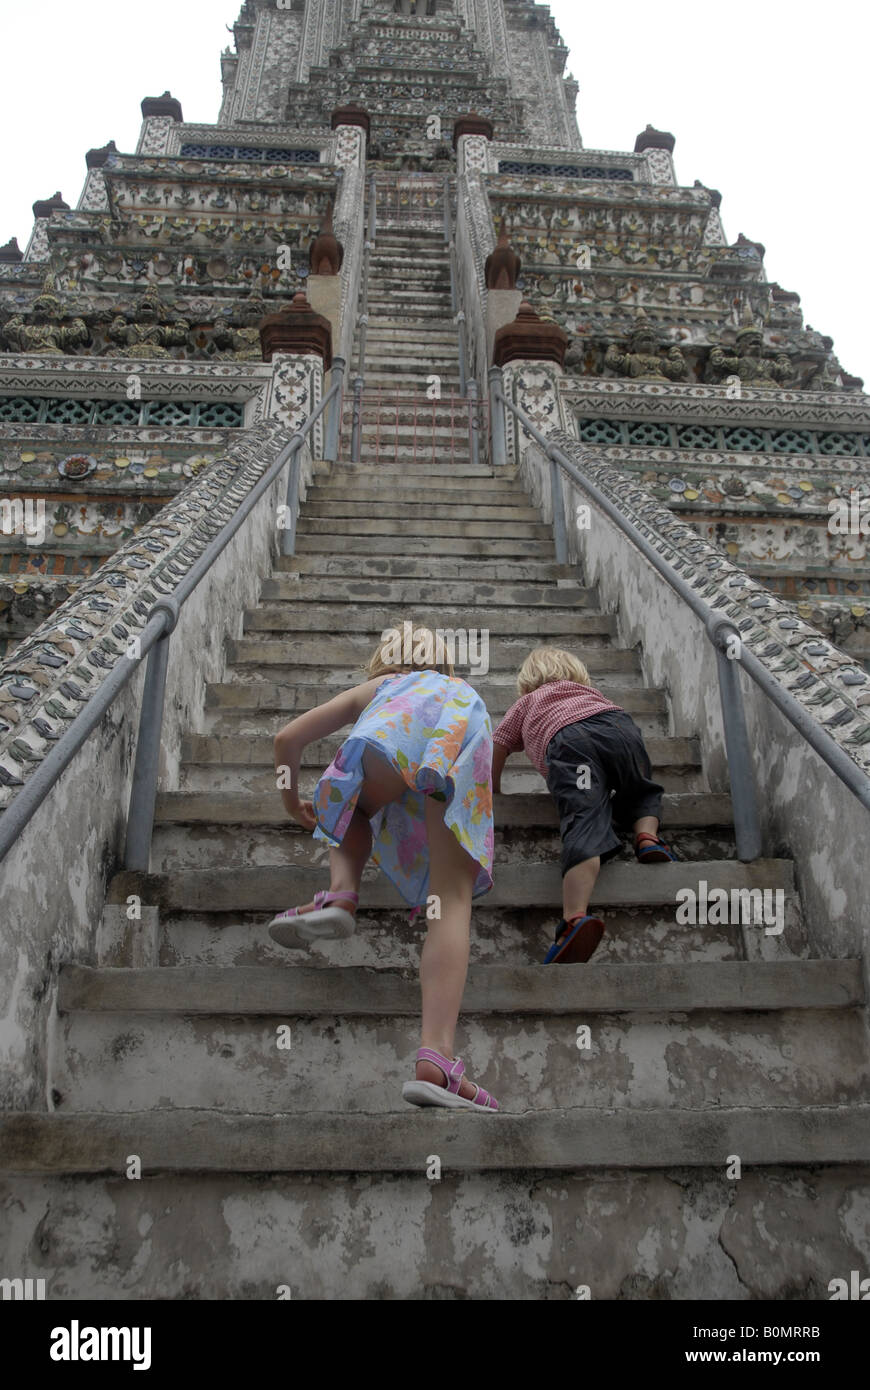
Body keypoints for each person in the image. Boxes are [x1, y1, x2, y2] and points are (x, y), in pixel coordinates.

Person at [269, 623, 499, 1112]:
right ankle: (436, 1059)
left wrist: (293, 802)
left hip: (394, 743)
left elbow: (287, 739)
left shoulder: (385, 686)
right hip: (463, 730)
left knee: (350, 806)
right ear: (442, 661)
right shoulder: (457, 688)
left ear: (385, 660)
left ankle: (341, 891)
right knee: (451, 905)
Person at [491, 645, 675, 965]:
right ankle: (647, 837)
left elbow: (499, 743)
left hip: (574, 746)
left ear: (527, 680)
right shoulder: (589, 692)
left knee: (585, 815)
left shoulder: (527, 702)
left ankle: (574, 919)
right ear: (577, 672)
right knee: (640, 788)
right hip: (620, 729)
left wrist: (493, 789)